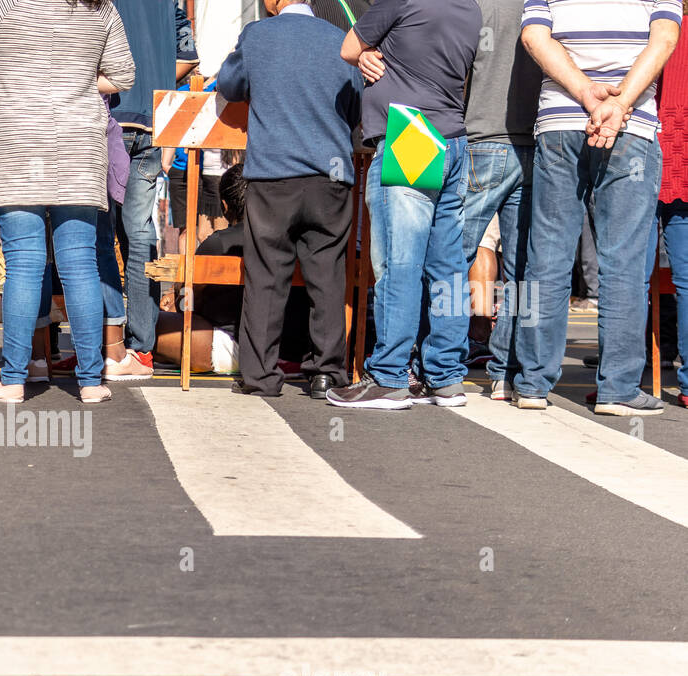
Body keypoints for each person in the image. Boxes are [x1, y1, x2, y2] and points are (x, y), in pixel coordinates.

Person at [0, 0, 136, 405]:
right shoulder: (101, 8)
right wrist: (77, 83)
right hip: (78, 143)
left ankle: (13, 379)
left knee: (24, 262)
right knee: (80, 262)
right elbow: (123, 74)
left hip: (15, 142)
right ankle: (90, 382)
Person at [515, 0, 680, 416]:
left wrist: (584, 91)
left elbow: (534, 36)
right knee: (622, 261)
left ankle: (533, 384)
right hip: (631, 126)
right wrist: (618, 103)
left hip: (559, 121)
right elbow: (664, 38)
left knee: (547, 257)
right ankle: (619, 389)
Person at [327, 0, 482, 410]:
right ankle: (446, 377)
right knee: (448, 267)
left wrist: (364, 55)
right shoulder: (470, 8)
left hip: (409, 134)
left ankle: (389, 375)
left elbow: (346, 47)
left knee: (399, 264)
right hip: (452, 138)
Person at [218, 0, 362, 400]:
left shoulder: (257, 36)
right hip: (330, 175)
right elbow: (355, 104)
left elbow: (229, 85)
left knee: (266, 274)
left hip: (273, 174)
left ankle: (261, 376)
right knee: (328, 275)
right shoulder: (341, 41)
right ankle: (326, 374)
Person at [107, 0, 198, 381]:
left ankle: (105, 344)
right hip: (155, 120)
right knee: (140, 232)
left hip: (109, 113)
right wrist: (156, 81)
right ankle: (141, 348)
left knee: (98, 234)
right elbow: (188, 56)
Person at [461, 0, 543, 401]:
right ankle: (506, 372)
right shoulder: (545, 7)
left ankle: (437, 361)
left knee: (453, 254)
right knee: (521, 268)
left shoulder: (476, 6)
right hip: (538, 141)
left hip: (482, 138)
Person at [155, 165, 245, 375]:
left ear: (224, 205)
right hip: (279, 349)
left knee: (145, 324)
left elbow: (187, 300)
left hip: (226, 346)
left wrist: (176, 298)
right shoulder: (281, 240)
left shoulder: (218, 244)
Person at [650, 17, 688, 409]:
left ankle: (618, 378)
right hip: (676, 151)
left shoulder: (649, 26)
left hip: (641, 148)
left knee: (626, 272)